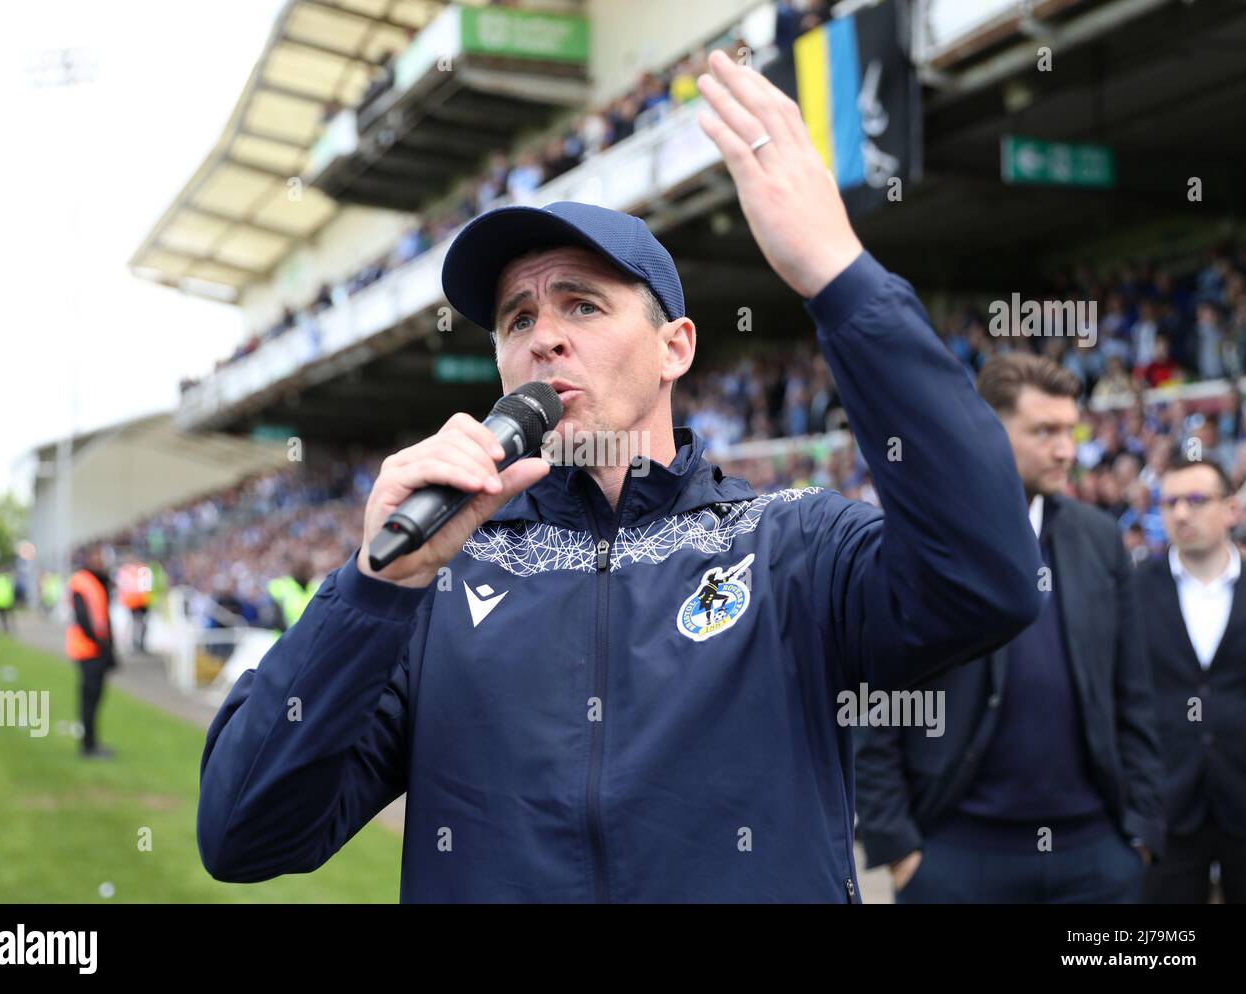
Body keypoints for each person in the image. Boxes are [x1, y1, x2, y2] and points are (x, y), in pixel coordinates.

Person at [197, 50, 1042, 901]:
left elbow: (988, 580)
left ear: (674, 347)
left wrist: (841, 282)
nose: (543, 337)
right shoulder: (443, 584)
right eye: (517, 317)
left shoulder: (790, 544)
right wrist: (373, 588)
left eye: (583, 304)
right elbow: (242, 834)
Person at [855, 354, 1165, 903]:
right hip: (957, 857)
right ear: (988, 429)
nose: (1066, 449)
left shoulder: (1098, 538)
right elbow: (875, 699)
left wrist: (1138, 833)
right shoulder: (923, 541)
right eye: (1045, 431)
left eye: (1072, 431)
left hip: (1095, 855)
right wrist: (900, 850)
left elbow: (1133, 693)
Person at [1138, 456, 1245, 902]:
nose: (1181, 513)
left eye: (1197, 500)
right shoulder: (1135, 589)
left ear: (1231, 510)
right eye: (1171, 502)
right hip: (1168, 805)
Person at [66, 548, 117, 759]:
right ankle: (88, 745)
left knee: (95, 698)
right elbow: (84, 619)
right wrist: (102, 646)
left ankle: (92, 742)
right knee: (89, 698)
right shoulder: (82, 581)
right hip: (88, 650)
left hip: (96, 649)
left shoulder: (95, 581)